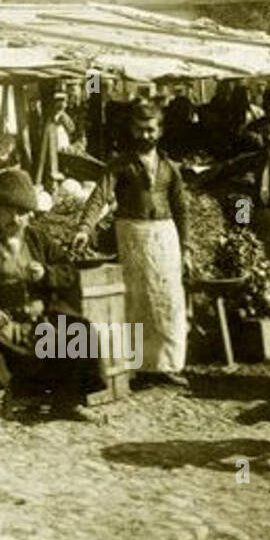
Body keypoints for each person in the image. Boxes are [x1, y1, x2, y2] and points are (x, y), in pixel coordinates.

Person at [0, 170, 104, 422]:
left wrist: (46, 274)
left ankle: (68, 400)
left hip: (39, 323)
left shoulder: (39, 241)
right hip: (3, 323)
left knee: (80, 331)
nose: (14, 218)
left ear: (30, 215)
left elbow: (69, 273)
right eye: (7, 211)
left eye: (21, 213)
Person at [72, 100, 191, 388]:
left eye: (150, 130)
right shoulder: (120, 164)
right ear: (131, 130)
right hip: (133, 235)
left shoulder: (170, 168)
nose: (145, 135)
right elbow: (99, 196)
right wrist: (84, 229)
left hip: (165, 236)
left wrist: (187, 247)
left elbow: (181, 208)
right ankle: (137, 366)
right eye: (140, 130)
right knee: (137, 301)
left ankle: (168, 365)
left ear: (159, 131)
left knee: (168, 301)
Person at [198, 115, 270, 262]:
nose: (269, 137)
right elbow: (224, 169)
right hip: (256, 221)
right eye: (265, 133)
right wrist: (196, 182)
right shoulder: (254, 159)